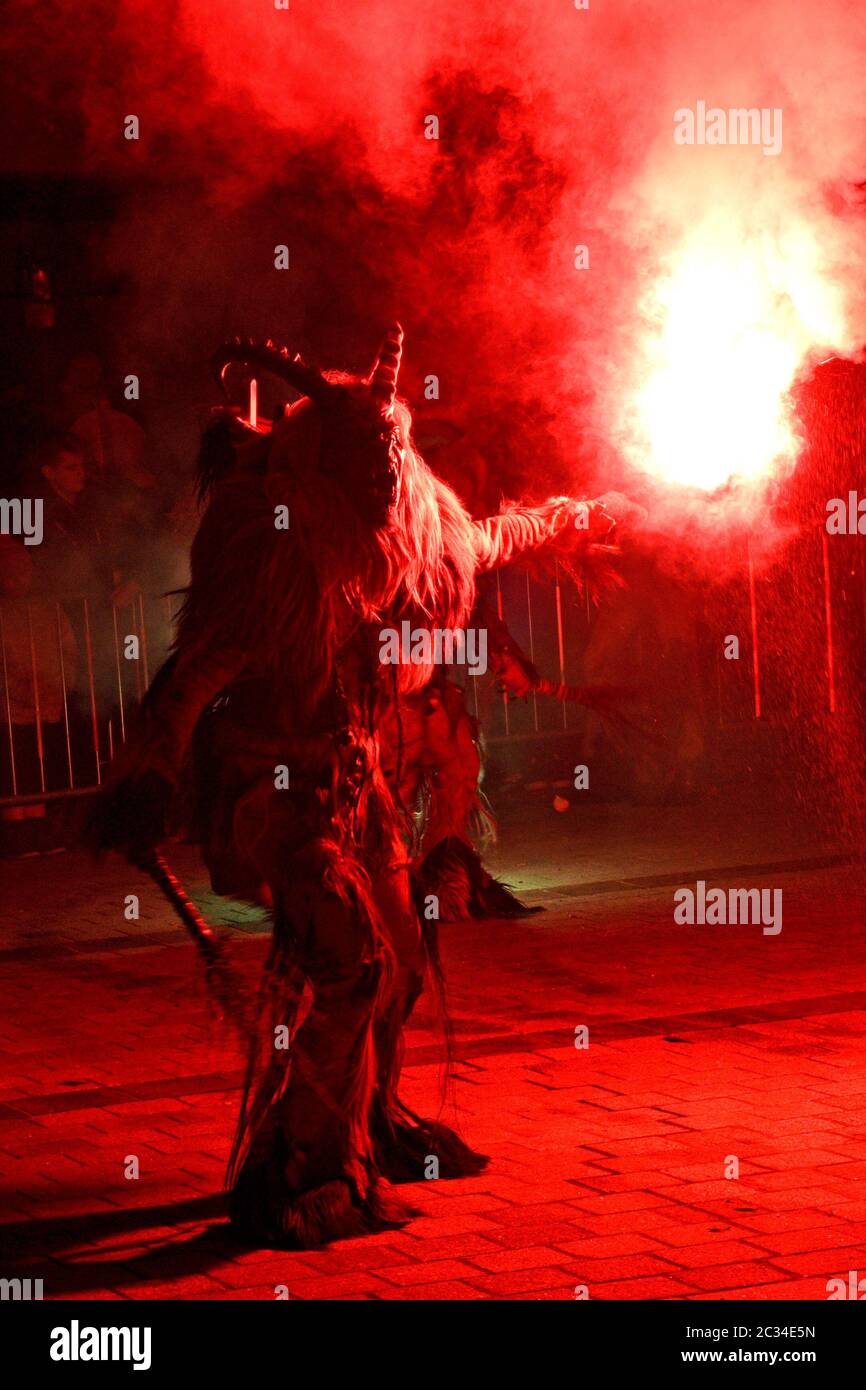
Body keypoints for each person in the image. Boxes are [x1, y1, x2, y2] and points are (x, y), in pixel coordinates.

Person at [89, 324, 617, 1247]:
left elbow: (485, 542)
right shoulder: (282, 569)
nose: (384, 480)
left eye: (391, 461)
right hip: (275, 799)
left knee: (403, 962)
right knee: (353, 963)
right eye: (366, 464)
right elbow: (193, 676)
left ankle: (373, 1124)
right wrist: (151, 774)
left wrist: (577, 516)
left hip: (354, 793)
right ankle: (296, 1164)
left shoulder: (404, 543)